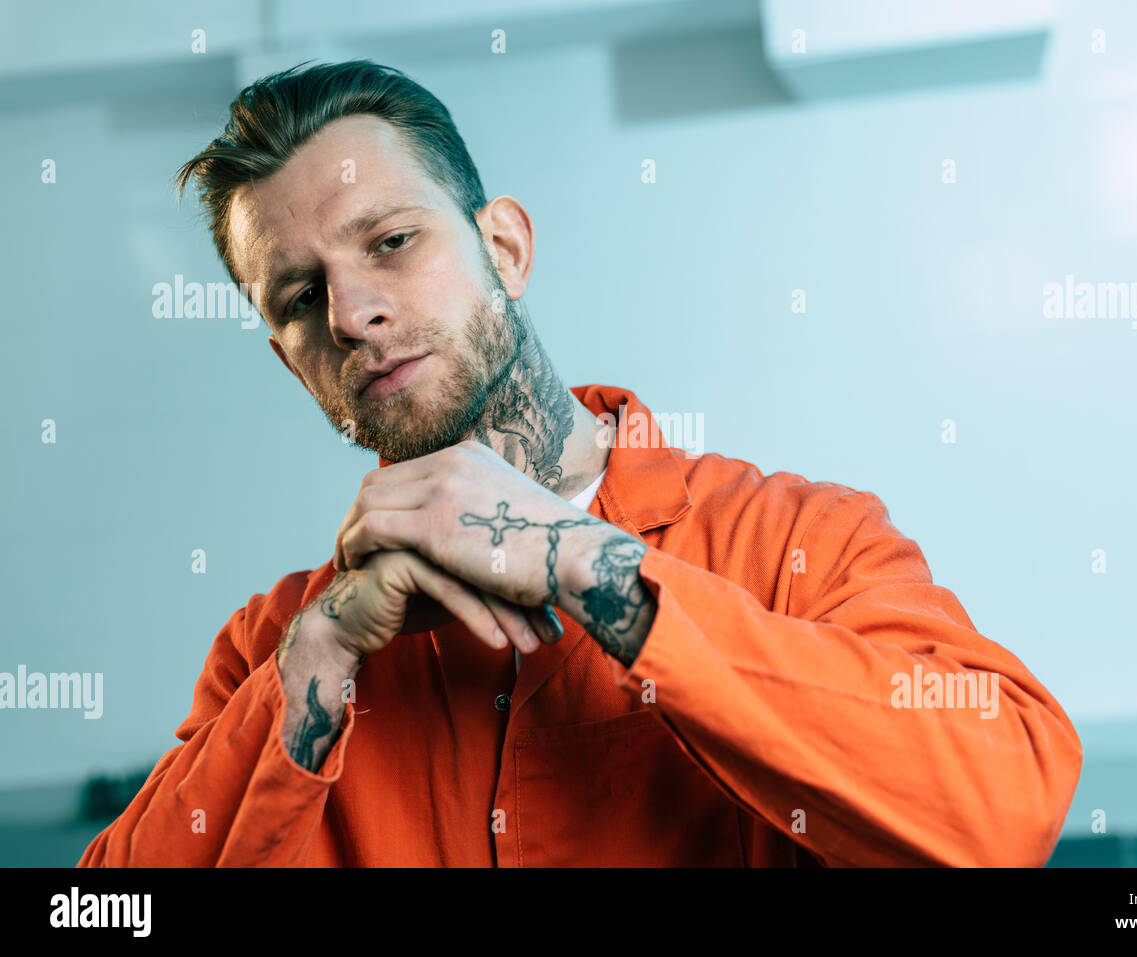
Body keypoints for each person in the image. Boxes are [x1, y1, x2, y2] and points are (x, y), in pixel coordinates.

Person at [79, 60, 1081, 867]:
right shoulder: (277, 645)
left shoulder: (795, 541)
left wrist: (585, 562)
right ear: (291, 364)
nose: (351, 315)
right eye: (299, 300)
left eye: (389, 241)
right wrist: (321, 663)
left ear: (504, 249)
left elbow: (1000, 814)